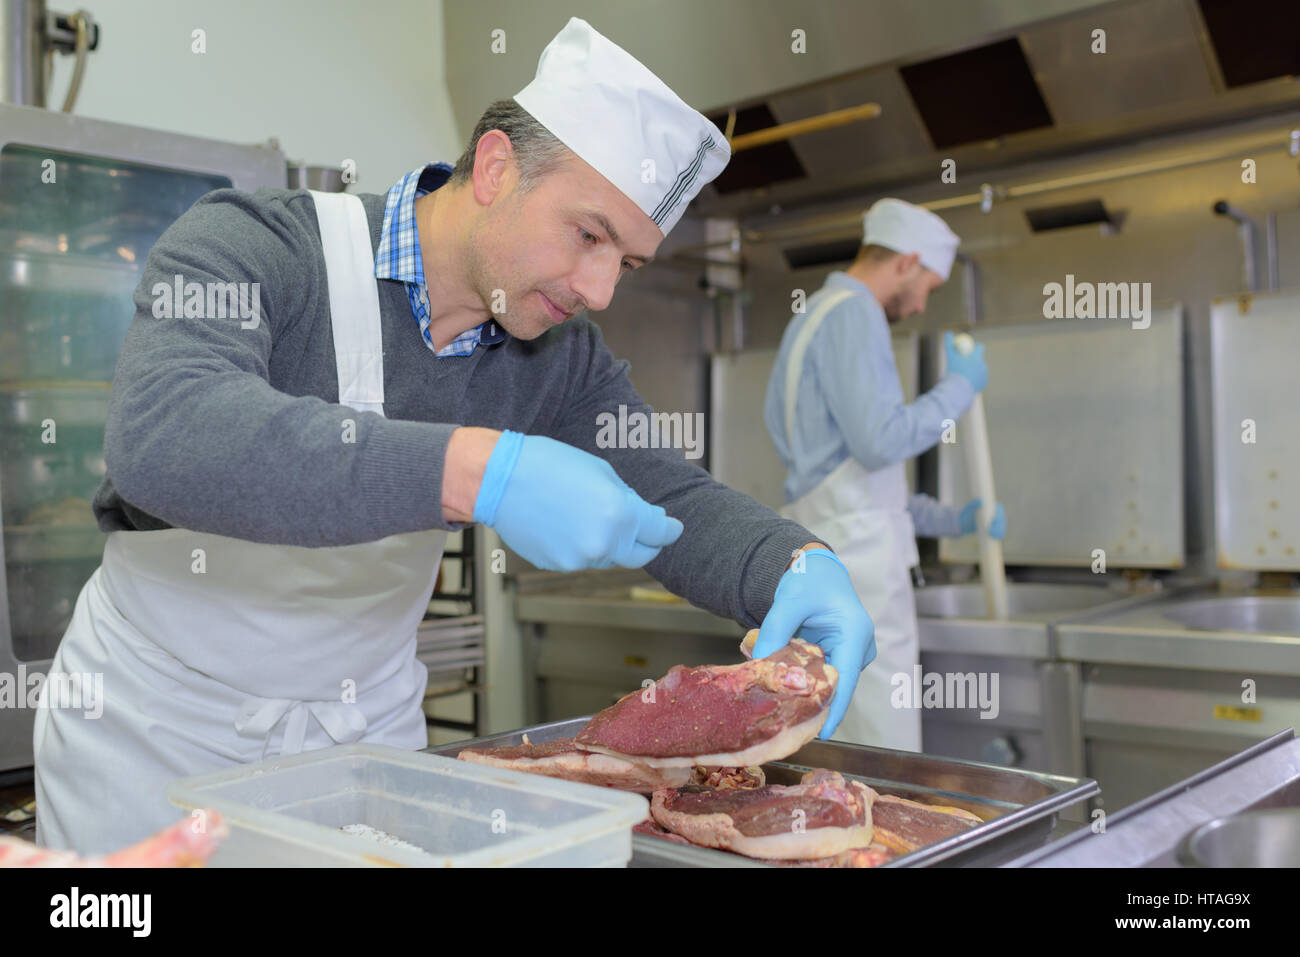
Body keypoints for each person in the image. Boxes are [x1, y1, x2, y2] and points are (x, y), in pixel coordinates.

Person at [33, 17, 875, 855]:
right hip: (155, 737)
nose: (601, 289)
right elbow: (166, 431)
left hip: (360, 747)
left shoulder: (559, 357)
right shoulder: (258, 246)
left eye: (627, 262)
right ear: (496, 166)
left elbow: (670, 496)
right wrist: (480, 468)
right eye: (589, 235)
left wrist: (792, 563)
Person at [763, 198, 1006, 752]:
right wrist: (959, 389)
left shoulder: (817, 313)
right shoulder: (854, 312)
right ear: (906, 262)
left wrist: (951, 520)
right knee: (881, 746)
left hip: (832, 548)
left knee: (841, 741)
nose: (921, 306)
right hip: (861, 569)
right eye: (929, 286)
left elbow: (849, 481)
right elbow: (881, 442)